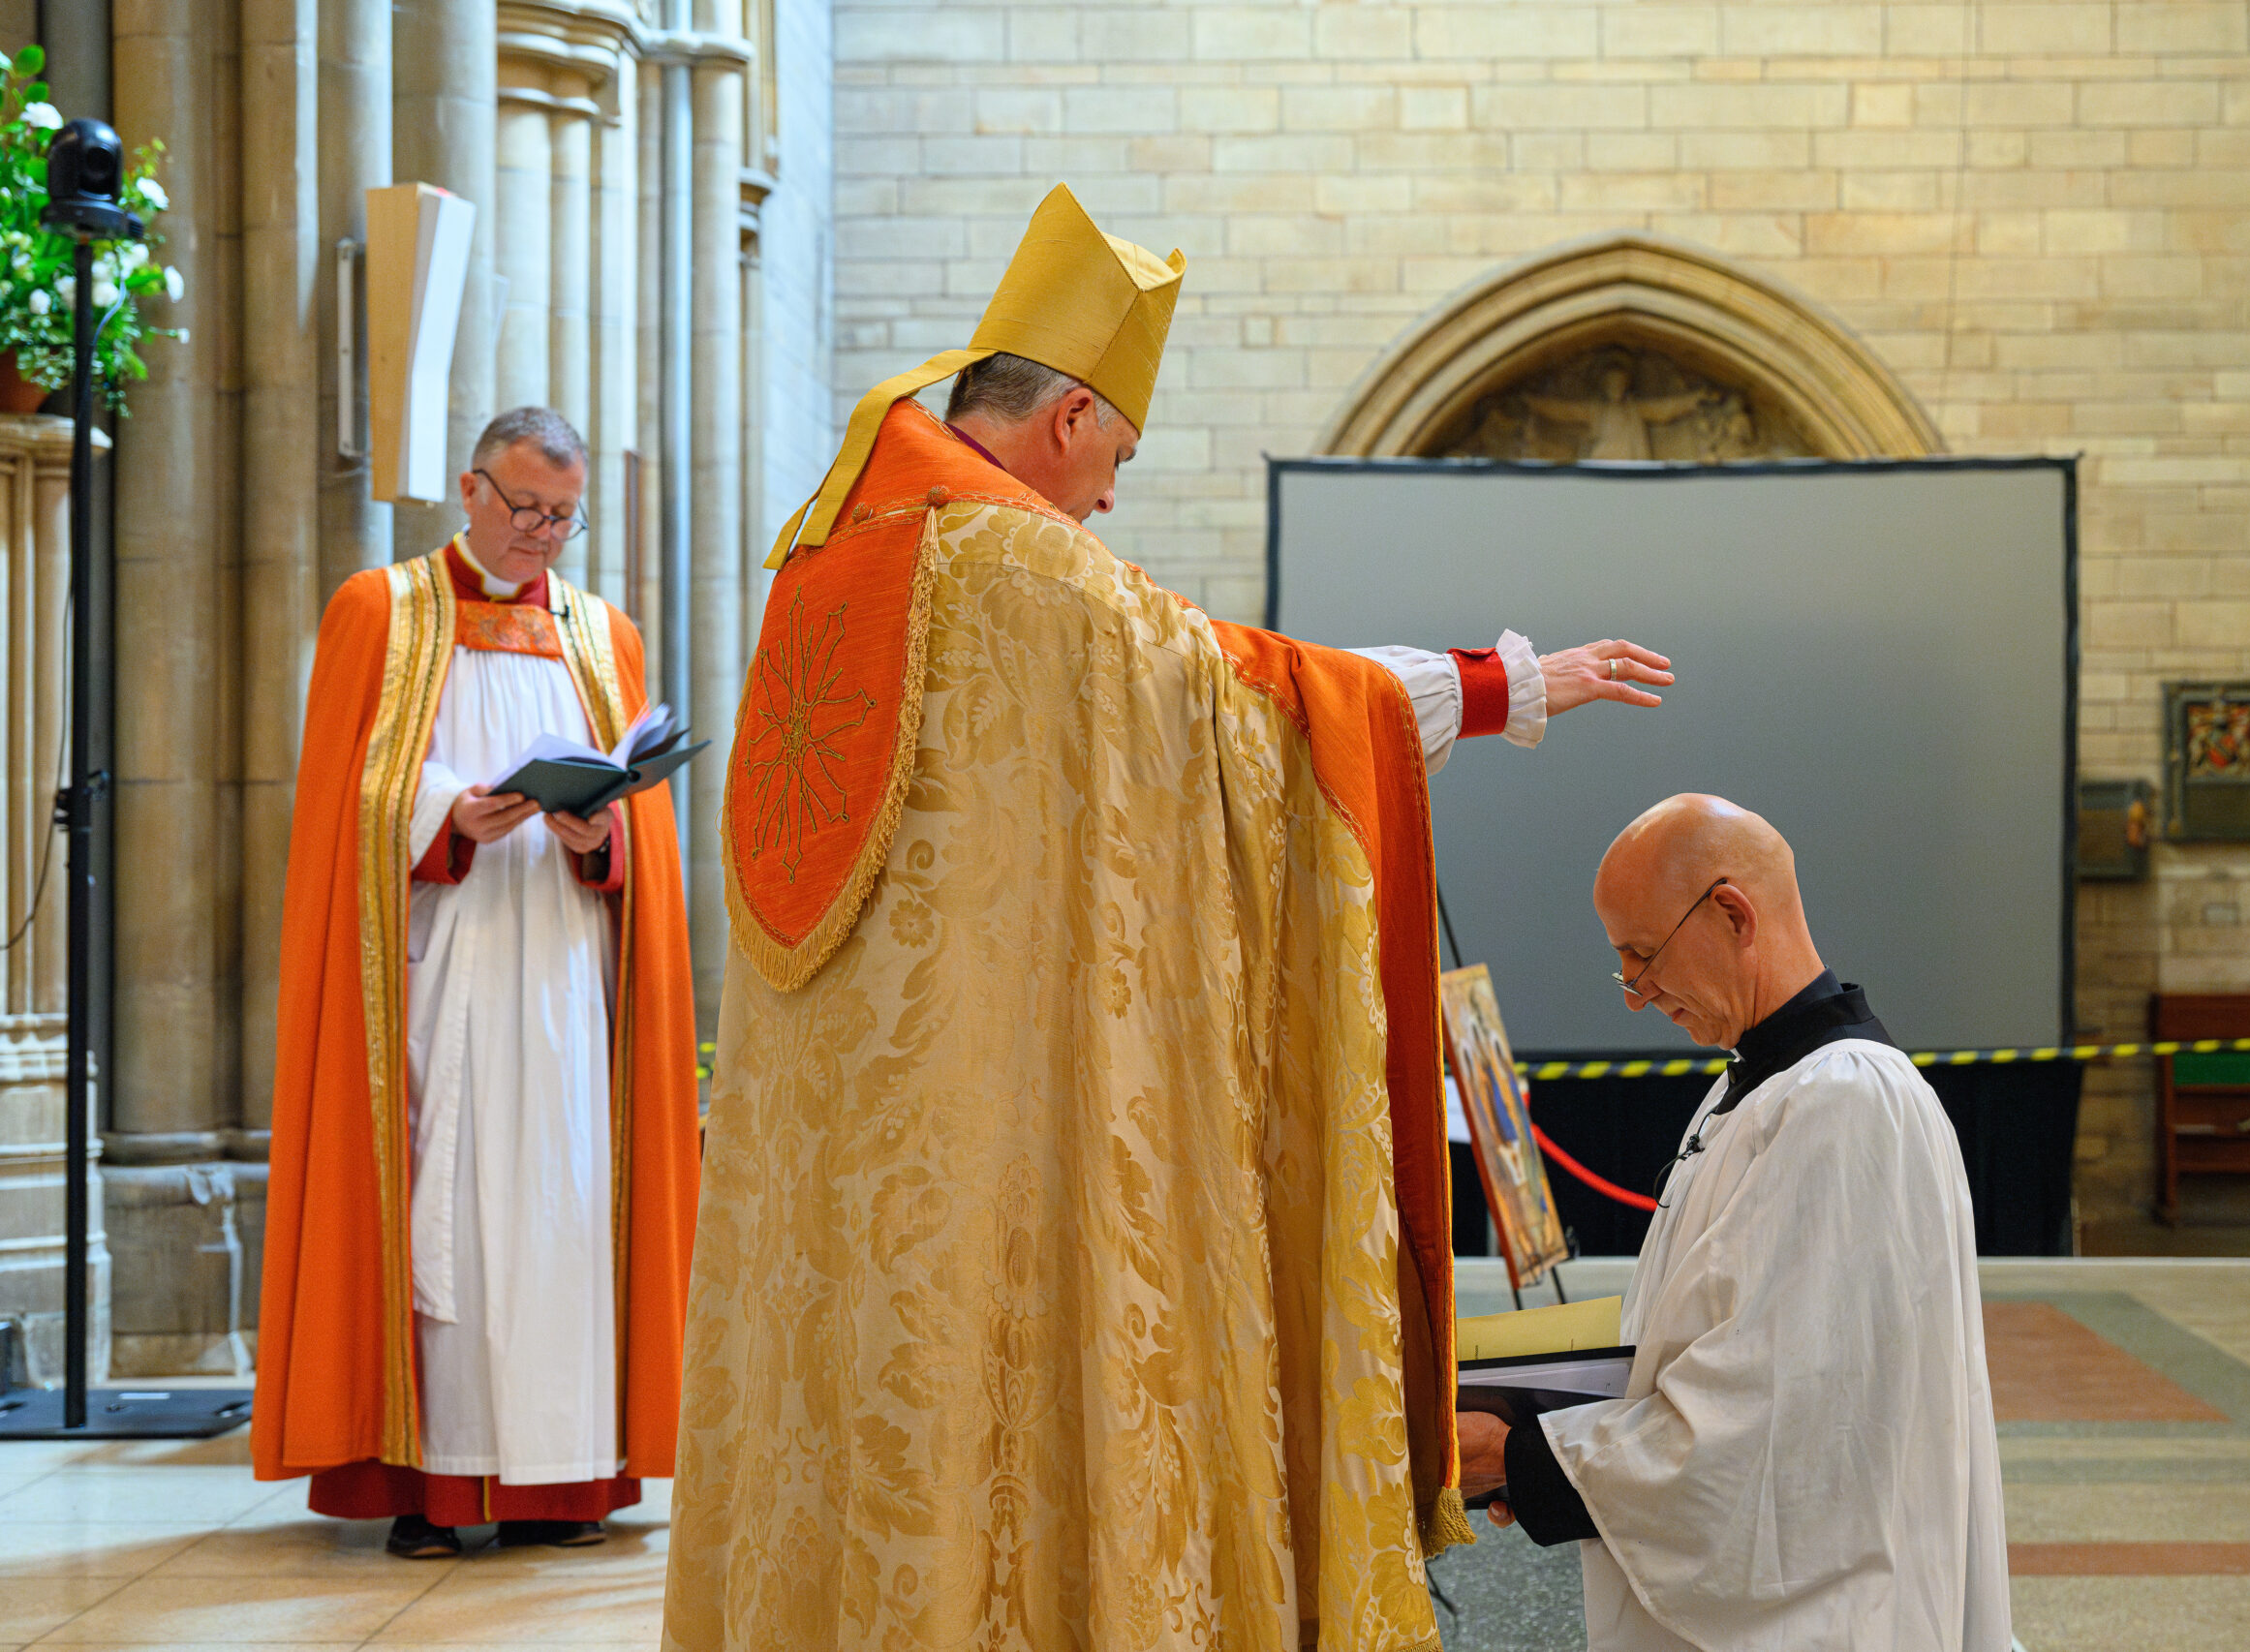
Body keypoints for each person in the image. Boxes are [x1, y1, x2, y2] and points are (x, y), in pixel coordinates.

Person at [663, 184, 1672, 1649]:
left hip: (844, 1186)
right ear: (1069, 415)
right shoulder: (1024, 573)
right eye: (1119, 455)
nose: (1113, 498)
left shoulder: (820, 563)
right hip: (1002, 1167)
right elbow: (1252, 709)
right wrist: (1507, 683)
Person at [253, 407, 701, 1560]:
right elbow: (339, 805)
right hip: (439, 966)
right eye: (526, 509)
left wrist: (595, 834)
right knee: (445, 1211)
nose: (544, 534)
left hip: (564, 974)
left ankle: (566, 1482)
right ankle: (432, 1480)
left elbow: (642, 828)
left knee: (563, 1208)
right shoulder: (384, 611)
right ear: (470, 487)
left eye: (564, 515)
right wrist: (444, 811)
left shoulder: (604, 636)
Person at [1455, 794, 2011, 1651]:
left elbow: (1783, 1429)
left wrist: (1522, 1459)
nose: (1636, 996)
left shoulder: (1847, 1102)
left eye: (1642, 957)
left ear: (1731, 913)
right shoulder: (1751, 1085)